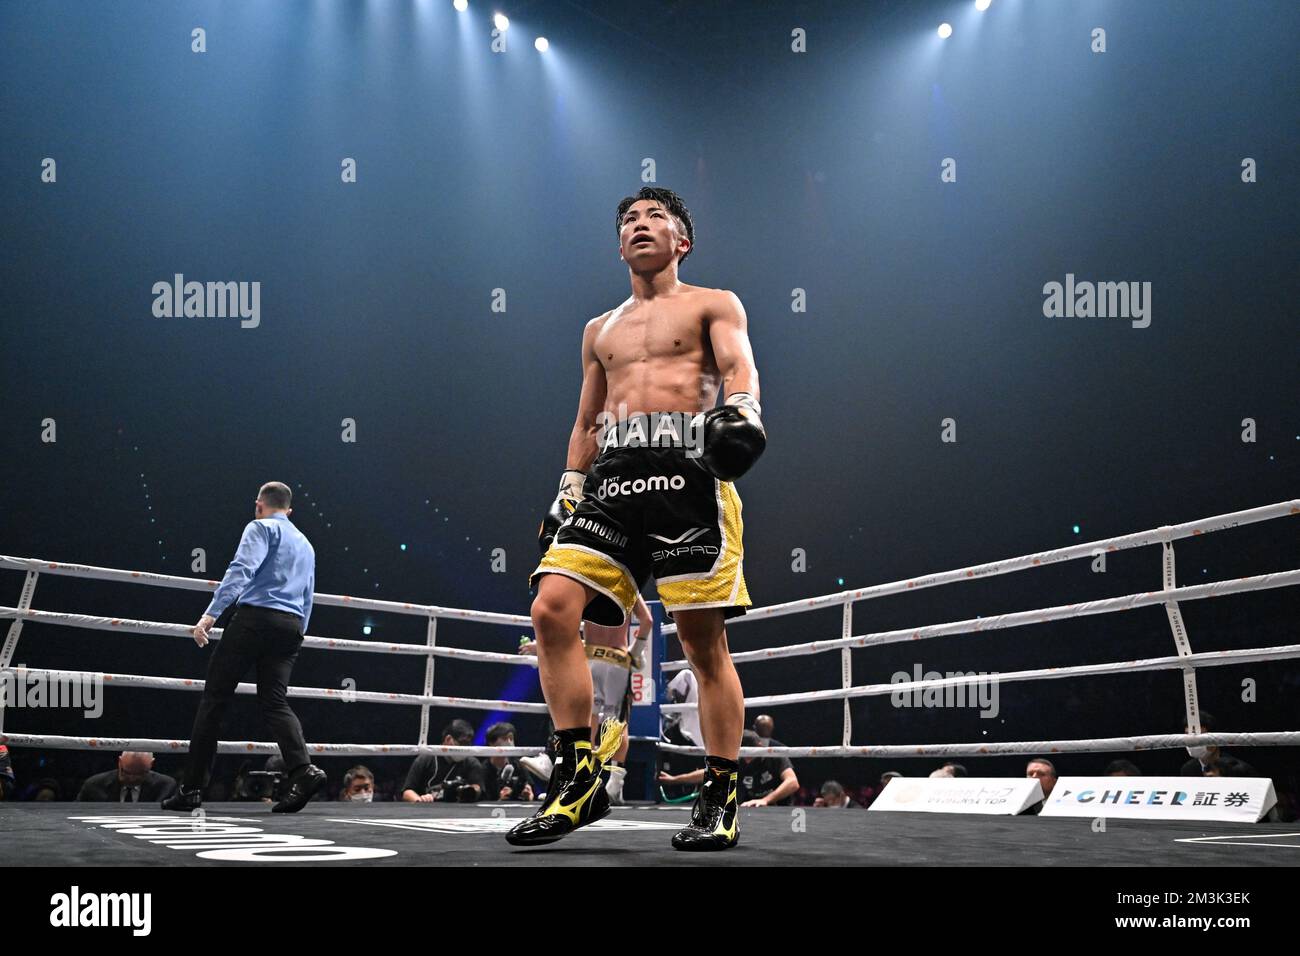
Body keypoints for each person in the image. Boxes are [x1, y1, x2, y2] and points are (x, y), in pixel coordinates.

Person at [507, 187, 765, 852]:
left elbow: (738, 365)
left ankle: (718, 795)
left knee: (702, 641)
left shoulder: (714, 302)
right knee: (551, 609)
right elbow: (587, 417)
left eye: (656, 218)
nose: (639, 225)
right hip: (614, 479)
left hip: (689, 474)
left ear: (683, 241)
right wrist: (569, 485)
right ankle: (579, 779)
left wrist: (742, 412)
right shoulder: (599, 329)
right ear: (619, 244)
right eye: (629, 220)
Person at [163, 481, 325, 814]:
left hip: (256, 620)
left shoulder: (260, 527)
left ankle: (191, 788)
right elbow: (308, 594)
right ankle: (303, 769)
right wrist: (298, 633)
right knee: (275, 701)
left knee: (215, 700)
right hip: (292, 625)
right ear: (289, 510)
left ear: (259, 505)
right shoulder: (306, 543)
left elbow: (242, 569)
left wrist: (210, 615)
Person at [518, 593, 652, 803]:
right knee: (616, 721)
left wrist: (544, 646)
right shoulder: (628, 583)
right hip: (617, 658)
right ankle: (614, 785)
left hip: (590, 658)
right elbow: (647, 621)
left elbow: (568, 624)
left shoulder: (589, 584)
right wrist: (635, 652)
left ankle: (579, 781)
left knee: (585, 719)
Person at [659, 731, 799, 807]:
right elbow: (710, 772)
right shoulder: (739, 759)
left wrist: (766, 800)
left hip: (780, 807)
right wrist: (674, 780)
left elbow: (792, 782)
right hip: (751, 807)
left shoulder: (774, 754)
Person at [402, 719, 486, 803]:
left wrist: (470, 791)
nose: (464, 748)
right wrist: (420, 800)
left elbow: (478, 787)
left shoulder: (471, 763)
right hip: (428, 810)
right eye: (462, 743)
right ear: (448, 739)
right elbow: (407, 792)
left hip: (458, 811)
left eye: (468, 744)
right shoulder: (425, 759)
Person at [1180, 710, 1259, 777]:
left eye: (1201, 737)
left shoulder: (1240, 770)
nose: (1194, 742)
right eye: (1188, 735)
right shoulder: (1187, 770)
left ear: (1215, 738)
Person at [77, 751, 176, 803]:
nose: (132, 778)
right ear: (119, 762)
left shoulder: (165, 787)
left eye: (140, 773)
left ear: (151, 764)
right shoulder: (94, 785)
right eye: (127, 772)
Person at [482, 723, 534, 802]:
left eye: (511, 738)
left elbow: (532, 791)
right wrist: (500, 800)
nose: (510, 742)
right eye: (505, 738)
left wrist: (528, 794)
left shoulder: (518, 764)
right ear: (491, 743)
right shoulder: (483, 769)